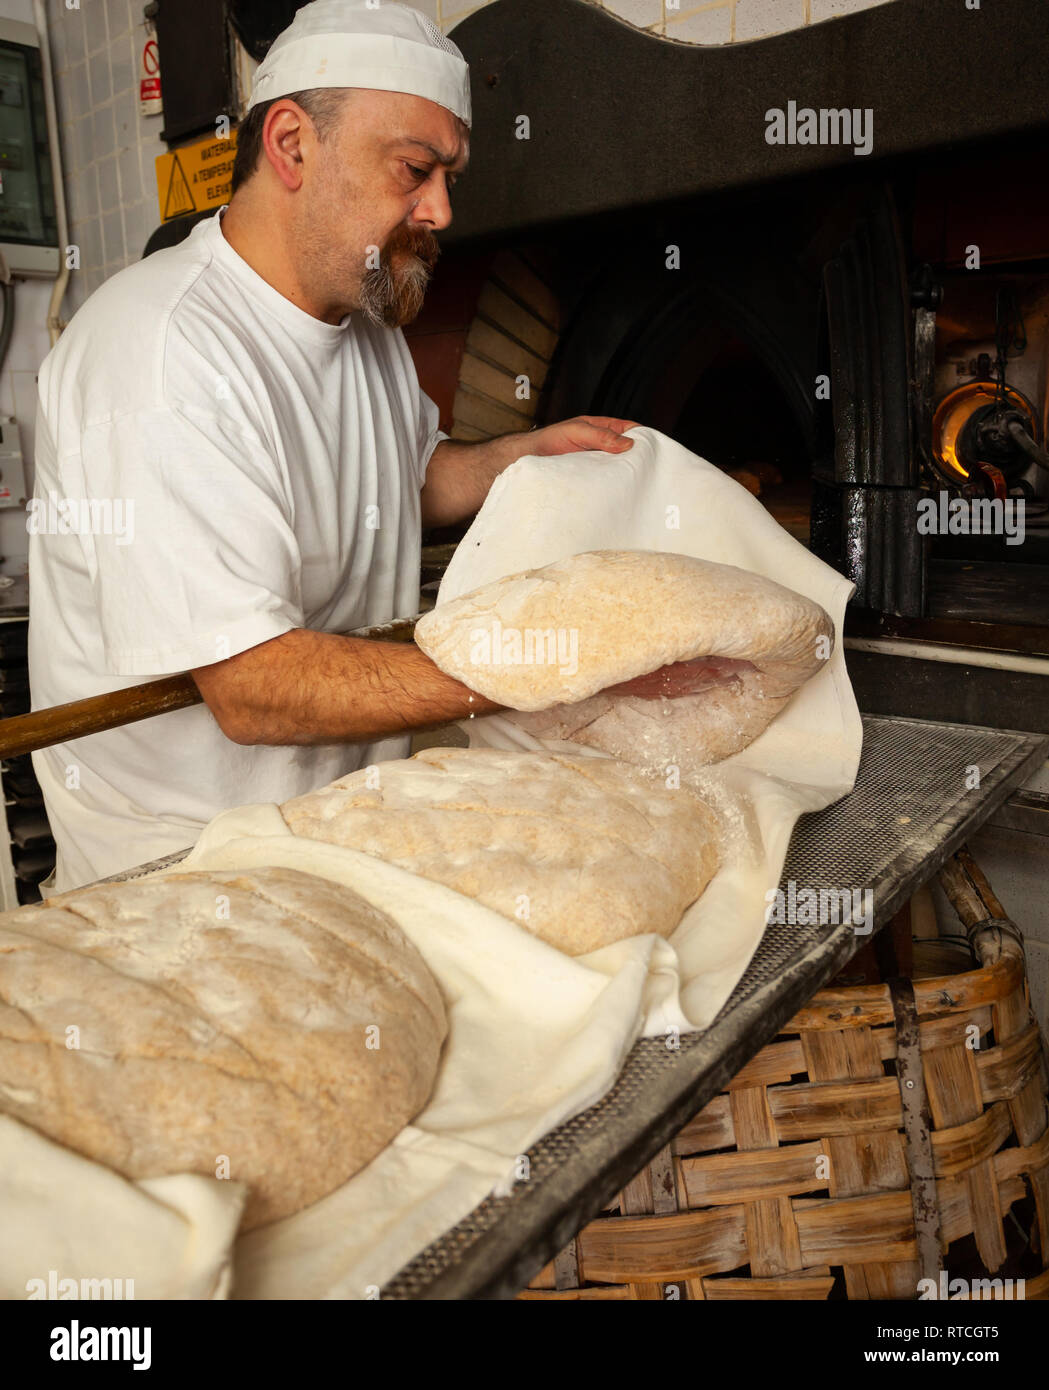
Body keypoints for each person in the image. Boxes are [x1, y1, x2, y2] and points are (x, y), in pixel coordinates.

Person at [27, 1, 701, 893]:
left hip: (338, 829)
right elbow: (254, 686)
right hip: (180, 875)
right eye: (415, 170)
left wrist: (519, 457)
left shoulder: (367, 319)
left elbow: (400, 482)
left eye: (448, 175)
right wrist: (551, 669)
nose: (442, 209)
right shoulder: (161, 354)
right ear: (293, 145)